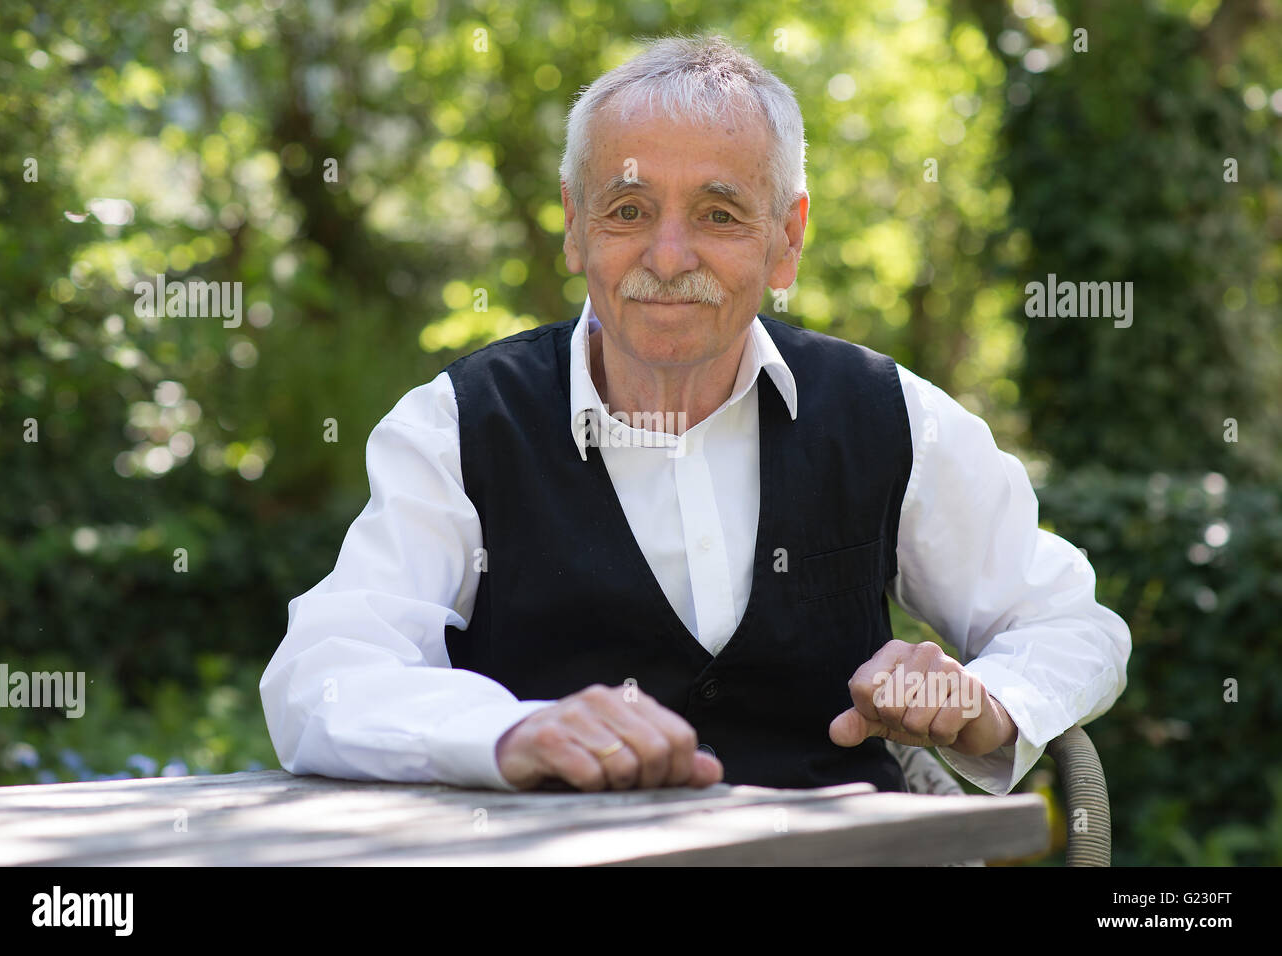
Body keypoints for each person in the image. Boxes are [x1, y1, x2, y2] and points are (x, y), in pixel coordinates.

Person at [260, 33, 1130, 796]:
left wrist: (985, 702)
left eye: (717, 214)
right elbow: (322, 673)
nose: (668, 257)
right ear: (574, 227)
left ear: (786, 239)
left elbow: (1070, 622)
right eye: (629, 210)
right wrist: (507, 733)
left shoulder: (888, 412)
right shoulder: (458, 425)